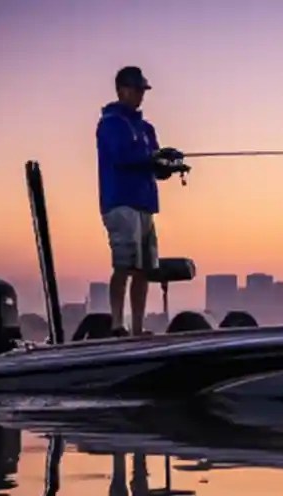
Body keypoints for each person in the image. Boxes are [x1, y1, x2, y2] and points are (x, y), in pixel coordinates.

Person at [97, 66, 170, 336]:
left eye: (143, 90)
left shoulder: (147, 128)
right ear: (121, 90)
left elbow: (154, 165)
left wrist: (167, 165)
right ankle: (118, 324)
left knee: (144, 269)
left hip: (145, 204)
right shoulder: (110, 124)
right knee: (124, 265)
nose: (141, 95)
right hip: (120, 202)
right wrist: (151, 159)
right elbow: (121, 157)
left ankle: (137, 328)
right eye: (137, 89)